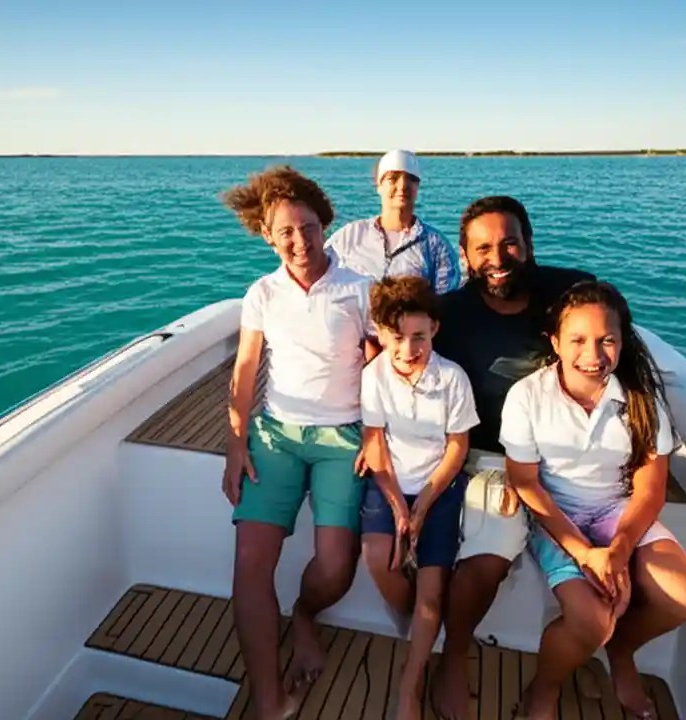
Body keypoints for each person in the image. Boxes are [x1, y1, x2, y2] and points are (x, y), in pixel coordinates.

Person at [501, 280, 686, 719]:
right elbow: (525, 483)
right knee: (591, 620)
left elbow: (650, 488)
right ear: (554, 342)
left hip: (618, 511)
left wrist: (619, 549)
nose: (593, 356)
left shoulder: (641, 399)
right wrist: (584, 553)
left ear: (622, 341)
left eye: (606, 340)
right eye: (577, 340)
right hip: (555, 515)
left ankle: (621, 652)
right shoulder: (527, 397)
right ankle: (545, 687)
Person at [428, 196, 595, 719]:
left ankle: (589, 648)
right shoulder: (450, 315)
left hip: (566, 459)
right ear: (464, 256)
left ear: (529, 245)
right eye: (483, 248)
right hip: (490, 461)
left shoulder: (569, 295)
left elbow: (610, 350)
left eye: (509, 243)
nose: (497, 257)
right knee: (486, 560)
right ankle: (453, 657)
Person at [220, 165, 377, 720]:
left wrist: (377, 438)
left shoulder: (360, 289)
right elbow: (245, 369)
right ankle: (269, 699)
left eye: (308, 228)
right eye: (285, 232)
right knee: (249, 565)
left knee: (336, 567)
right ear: (267, 235)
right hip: (276, 436)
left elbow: (382, 369)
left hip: (343, 439)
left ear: (324, 225)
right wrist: (237, 444)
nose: (299, 242)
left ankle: (305, 616)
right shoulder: (261, 293)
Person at [357, 276, 478, 720]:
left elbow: (458, 447)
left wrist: (422, 506)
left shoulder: (452, 379)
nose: (409, 349)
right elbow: (374, 440)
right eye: (397, 338)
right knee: (377, 557)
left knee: (432, 587)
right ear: (381, 334)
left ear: (435, 330)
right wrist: (396, 505)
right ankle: (422, 631)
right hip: (390, 481)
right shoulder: (374, 376)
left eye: (419, 337)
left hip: (439, 486)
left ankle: (410, 685)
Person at [325, 149, 460, 292]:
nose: (402, 186)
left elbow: (446, 302)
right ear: (379, 186)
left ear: (418, 186)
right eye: (392, 179)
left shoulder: (435, 245)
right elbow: (320, 278)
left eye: (411, 179)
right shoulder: (349, 236)